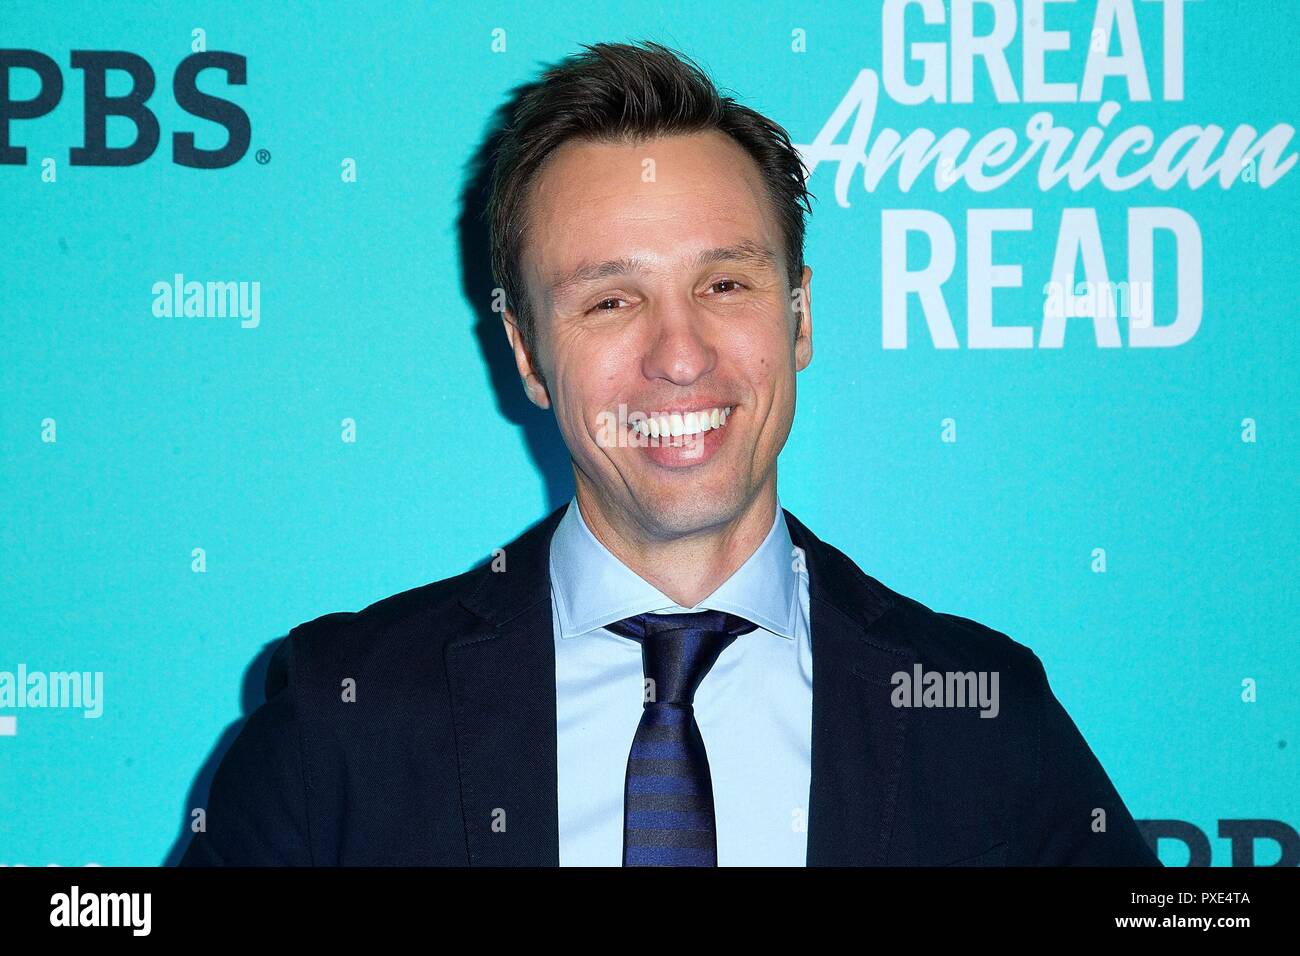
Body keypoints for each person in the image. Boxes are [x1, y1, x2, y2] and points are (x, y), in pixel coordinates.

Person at [179, 40, 1158, 867]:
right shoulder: (341, 722)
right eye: (610, 299)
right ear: (526, 353)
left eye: (724, 284)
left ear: (800, 313)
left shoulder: (983, 716)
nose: (680, 354)